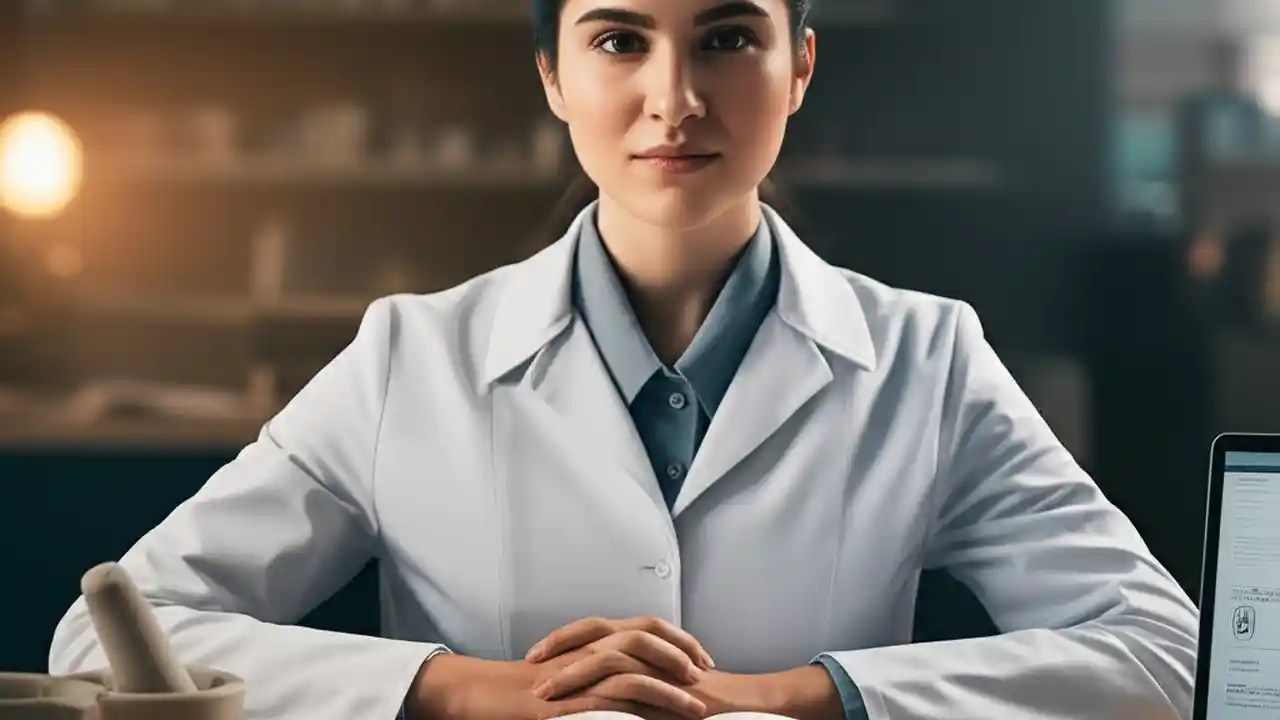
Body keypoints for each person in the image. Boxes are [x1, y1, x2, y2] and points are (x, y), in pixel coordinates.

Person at [49, 0, 1199, 718]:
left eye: (728, 38)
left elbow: (1157, 649)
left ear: (798, 67)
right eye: (617, 39)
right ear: (551, 75)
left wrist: (808, 695)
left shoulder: (921, 357)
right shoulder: (412, 354)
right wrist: (463, 692)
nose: (675, 98)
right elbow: (109, 634)